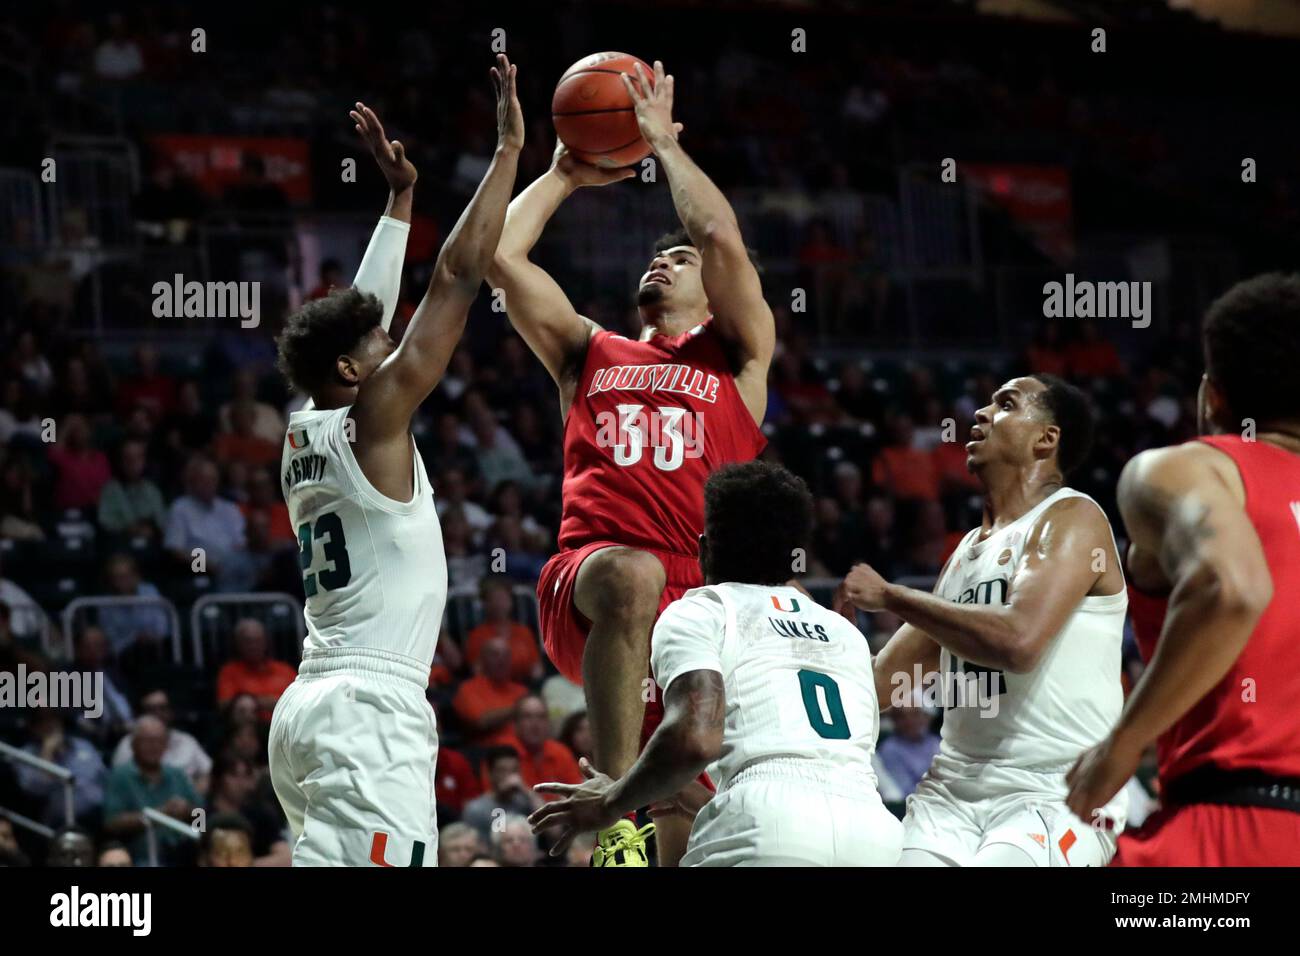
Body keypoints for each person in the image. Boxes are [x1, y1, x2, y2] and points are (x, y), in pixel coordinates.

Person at [488, 59, 774, 866]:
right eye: (658, 257)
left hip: (697, 605)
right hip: (591, 577)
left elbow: (719, 234)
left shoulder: (738, 359)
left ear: (715, 293)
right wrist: (560, 175)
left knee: (688, 816)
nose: (665, 262)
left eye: (680, 260)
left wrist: (660, 144)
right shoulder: (589, 350)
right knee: (630, 574)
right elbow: (501, 259)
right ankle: (613, 813)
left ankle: (646, 823)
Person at [268, 58, 521, 867]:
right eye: (382, 343)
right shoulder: (371, 421)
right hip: (370, 712)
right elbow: (454, 278)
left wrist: (398, 201)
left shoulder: (306, 425)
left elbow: (360, 320)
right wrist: (509, 151)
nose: (394, 339)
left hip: (310, 706)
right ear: (353, 371)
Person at [530, 462, 901, 866]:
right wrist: (705, 801)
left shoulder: (703, 611)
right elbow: (809, 776)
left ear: (703, 548)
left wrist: (611, 801)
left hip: (761, 831)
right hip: (875, 832)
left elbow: (695, 739)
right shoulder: (843, 632)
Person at [844, 375, 1128, 867]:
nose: (979, 414)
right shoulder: (966, 553)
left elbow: (1019, 641)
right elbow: (883, 682)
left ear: (1046, 438)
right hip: (950, 791)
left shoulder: (1074, 518)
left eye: (1005, 404)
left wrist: (892, 596)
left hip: (1053, 790)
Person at [1066, 273, 1300, 865]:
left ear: (1211, 395)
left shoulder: (1194, 470)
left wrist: (1121, 747)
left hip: (1237, 829)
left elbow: (1230, 587)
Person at [102, 714, 202, 865]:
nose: (154, 747)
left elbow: (201, 819)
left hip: (183, 856)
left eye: (159, 741)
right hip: (139, 859)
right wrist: (160, 814)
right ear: (133, 745)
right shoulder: (120, 776)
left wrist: (188, 811)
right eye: (147, 741)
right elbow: (111, 824)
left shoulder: (177, 774)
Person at [215, 618, 297, 722]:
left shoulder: (285, 670)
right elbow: (224, 705)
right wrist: (266, 703)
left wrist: (256, 701)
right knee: (245, 705)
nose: (253, 646)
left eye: (258, 640)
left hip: (286, 727)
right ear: (238, 643)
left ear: (266, 642)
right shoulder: (229, 672)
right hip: (251, 730)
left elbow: (300, 702)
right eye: (248, 641)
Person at [461, 747, 545, 841]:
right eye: (502, 771)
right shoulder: (476, 809)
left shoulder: (526, 802)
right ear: (490, 774)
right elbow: (476, 845)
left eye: (514, 770)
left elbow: (554, 832)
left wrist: (525, 790)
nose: (509, 776)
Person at [505, 694, 582, 793]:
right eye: (527, 717)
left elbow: (576, 794)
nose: (535, 724)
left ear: (548, 722)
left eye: (541, 717)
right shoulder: (503, 752)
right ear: (515, 723)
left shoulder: (560, 752)